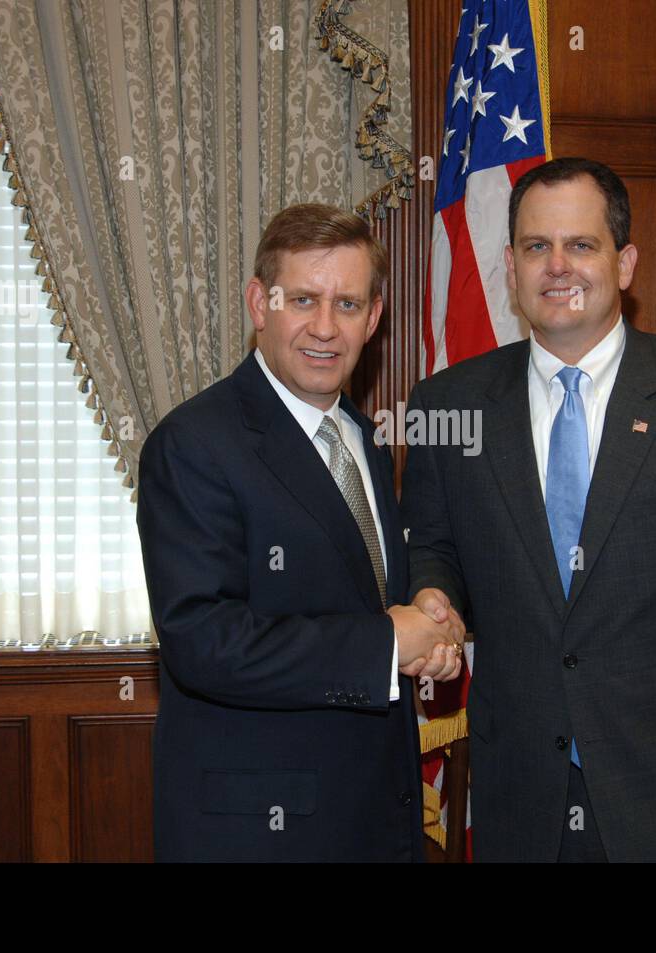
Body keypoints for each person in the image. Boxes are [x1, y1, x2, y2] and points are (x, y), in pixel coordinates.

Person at [402, 158, 656, 862]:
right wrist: (434, 593)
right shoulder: (448, 404)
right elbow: (431, 543)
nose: (557, 266)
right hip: (520, 799)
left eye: (580, 245)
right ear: (509, 265)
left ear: (623, 263)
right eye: (536, 247)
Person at [137, 203, 463, 862]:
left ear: (374, 318)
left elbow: (362, 599)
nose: (324, 327)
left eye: (347, 304)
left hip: (373, 815)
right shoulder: (195, 443)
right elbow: (202, 640)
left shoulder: (361, 437)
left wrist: (425, 625)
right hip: (259, 833)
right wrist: (383, 642)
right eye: (303, 299)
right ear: (261, 303)